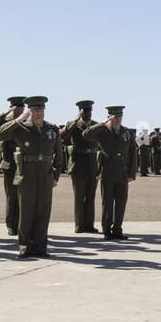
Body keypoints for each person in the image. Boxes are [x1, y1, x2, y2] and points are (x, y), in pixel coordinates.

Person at [0, 96, 62, 257]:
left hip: (45, 175)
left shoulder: (52, 129)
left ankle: (40, 247)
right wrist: (17, 120)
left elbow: (58, 157)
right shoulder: (20, 128)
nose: (39, 114)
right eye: (35, 110)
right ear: (29, 112)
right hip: (26, 176)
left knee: (43, 212)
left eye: (41, 110)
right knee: (26, 212)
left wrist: (56, 176)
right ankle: (24, 246)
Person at [83, 105, 138, 240]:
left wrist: (132, 173)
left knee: (121, 202)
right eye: (114, 117)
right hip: (107, 170)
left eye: (119, 117)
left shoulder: (127, 133)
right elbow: (86, 135)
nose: (117, 119)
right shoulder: (102, 131)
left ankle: (117, 229)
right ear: (108, 117)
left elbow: (133, 153)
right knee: (107, 203)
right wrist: (102, 124)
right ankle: (107, 230)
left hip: (122, 171)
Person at [0, 96, 26, 236]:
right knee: (11, 195)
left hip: (25, 162)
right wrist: (5, 113)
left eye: (21, 108)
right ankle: (11, 225)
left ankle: (23, 224)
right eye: (15, 108)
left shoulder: (27, 120)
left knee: (25, 195)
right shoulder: (4, 121)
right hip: (9, 163)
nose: (19, 110)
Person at [60, 100, 100, 233]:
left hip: (92, 163)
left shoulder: (95, 125)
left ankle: (89, 224)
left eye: (89, 111)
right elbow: (62, 135)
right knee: (79, 196)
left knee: (91, 195)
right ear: (79, 112)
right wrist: (74, 120)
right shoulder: (73, 126)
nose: (87, 114)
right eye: (84, 112)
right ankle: (79, 224)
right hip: (78, 164)